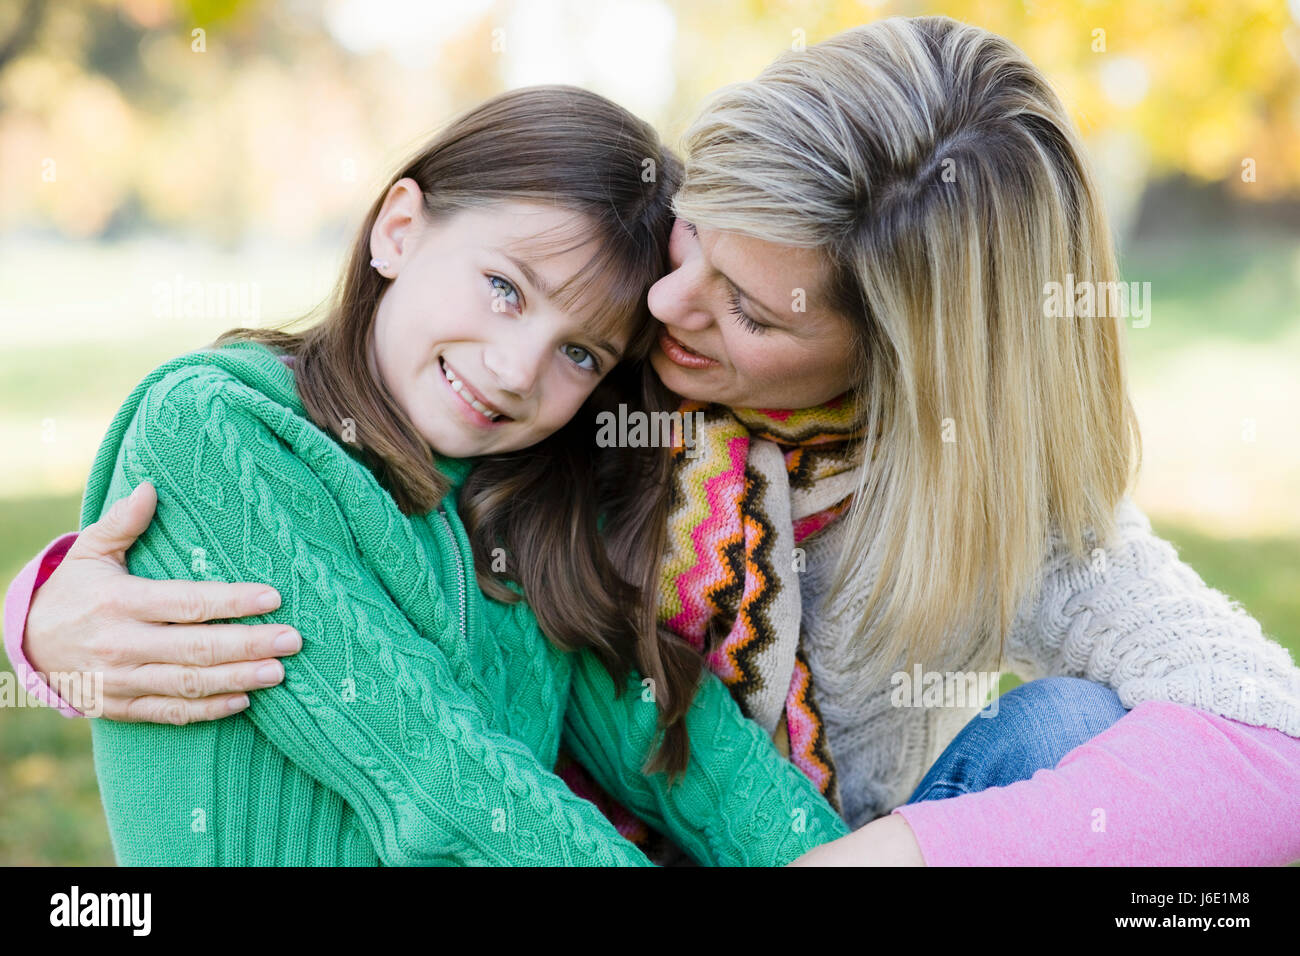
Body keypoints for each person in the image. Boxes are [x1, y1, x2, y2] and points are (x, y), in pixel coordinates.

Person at [10, 18, 1300, 865]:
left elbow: (1274, 747)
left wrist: (887, 860)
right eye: (695, 243)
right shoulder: (547, 389)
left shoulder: (966, 483)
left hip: (798, 849)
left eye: (749, 309)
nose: (665, 310)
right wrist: (42, 617)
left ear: (893, 356)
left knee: (1074, 734)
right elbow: (401, 697)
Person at [1, 85, 849, 866]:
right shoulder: (217, 429)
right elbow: (434, 776)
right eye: (505, 289)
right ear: (399, 229)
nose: (517, 370)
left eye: (580, 353)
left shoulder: (523, 509)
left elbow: (686, 751)